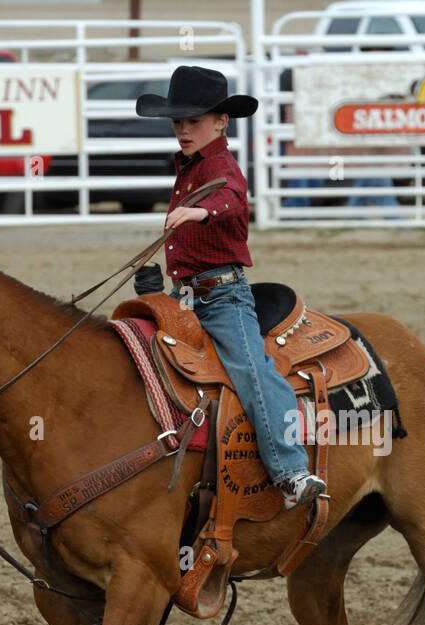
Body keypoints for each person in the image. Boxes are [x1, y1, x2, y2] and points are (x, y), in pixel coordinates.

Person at [137, 66, 325, 510]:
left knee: (252, 371)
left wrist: (201, 213)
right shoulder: (188, 166)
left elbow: (233, 199)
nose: (184, 130)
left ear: (222, 121)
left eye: (195, 121)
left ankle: (292, 471)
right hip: (188, 292)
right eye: (178, 122)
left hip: (224, 298)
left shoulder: (221, 166)